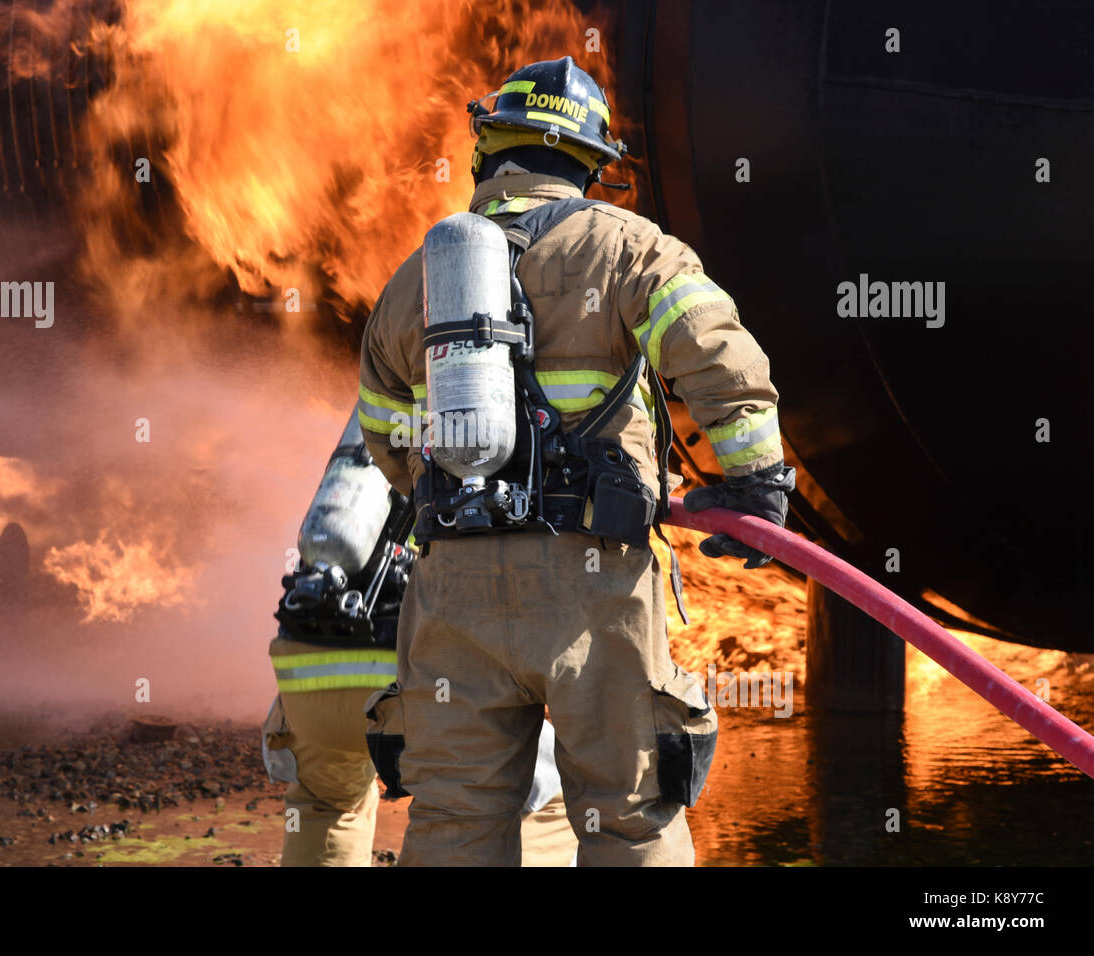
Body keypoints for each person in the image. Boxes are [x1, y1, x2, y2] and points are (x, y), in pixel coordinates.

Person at [358, 56, 794, 866]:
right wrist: (756, 486)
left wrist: (455, 505)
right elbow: (720, 357)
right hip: (592, 582)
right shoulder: (628, 246)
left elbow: (384, 430)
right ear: (589, 162)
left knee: (454, 818)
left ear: (492, 151)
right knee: (629, 813)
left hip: (454, 597)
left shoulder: (417, 277)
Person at [262, 408, 579, 866]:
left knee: (326, 803)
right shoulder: (507, 445)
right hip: (413, 690)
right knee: (536, 800)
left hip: (308, 685)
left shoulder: (369, 451)